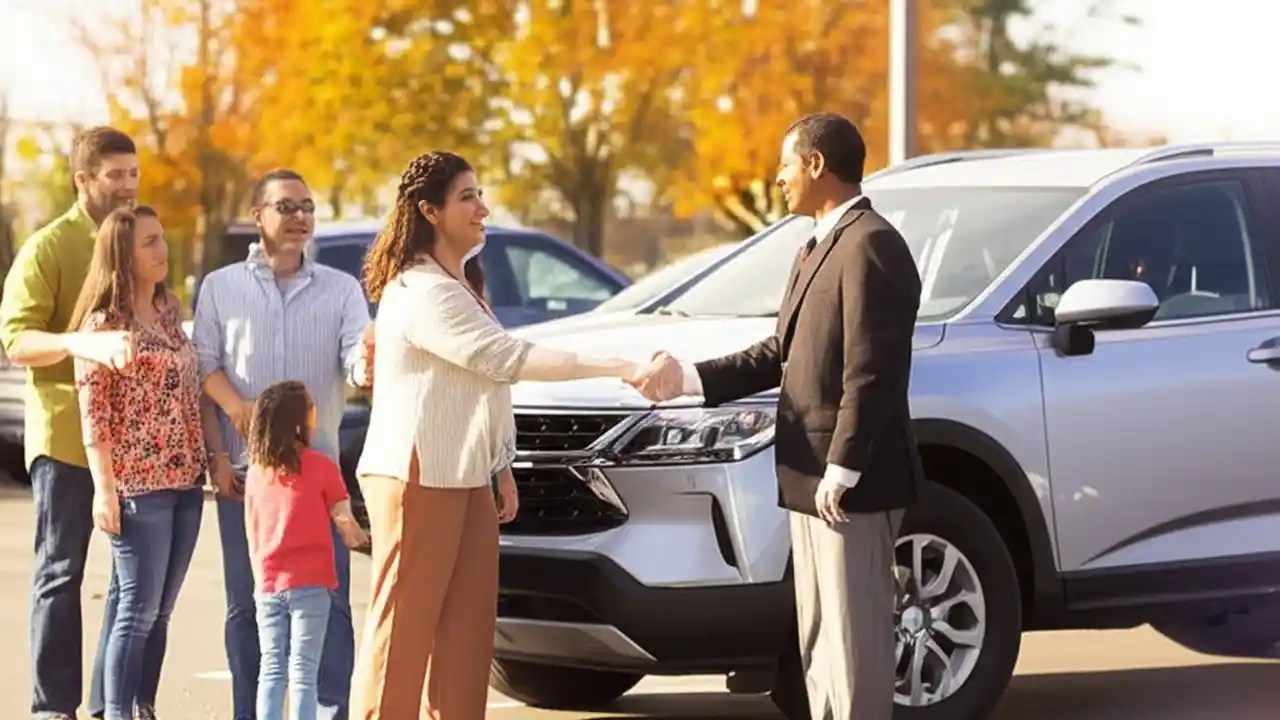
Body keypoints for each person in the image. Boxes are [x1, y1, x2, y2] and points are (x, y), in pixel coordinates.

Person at [632, 112, 924, 720]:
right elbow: (781, 355)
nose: (778, 176)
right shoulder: (816, 248)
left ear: (817, 164)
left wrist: (844, 467)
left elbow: (871, 370)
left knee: (855, 645)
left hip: (850, 488)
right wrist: (685, 378)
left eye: (787, 163)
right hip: (808, 477)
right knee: (820, 641)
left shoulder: (872, 245)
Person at [353, 150, 641, 719]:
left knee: (466, 637)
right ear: (429, 211)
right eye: (468, 197)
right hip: (415, 475)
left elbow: (479, 387)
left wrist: (500, 465)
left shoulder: (460, 285)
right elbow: (504, 360)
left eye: (480, 195)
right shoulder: (421, 291)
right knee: (402, 633)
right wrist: (621, 366)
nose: (483, 208)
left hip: (464, 476)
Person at [192, 168, 372, 720]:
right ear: (259, 217)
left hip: (317, 485)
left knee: (333, 603)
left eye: (308, 208)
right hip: (247, 480)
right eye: (287, 207)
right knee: (247, 604)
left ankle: (330, 712)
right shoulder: (221, 287)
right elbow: (204, 367)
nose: (300, 218)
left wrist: (367, 361)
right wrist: (225, 441)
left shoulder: (342, 290)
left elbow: (355, 361)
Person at [0, 126, 140, 720]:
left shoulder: (140, 240)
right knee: (62, 572)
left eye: (134, 174)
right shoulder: (48, 247)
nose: (129, 188)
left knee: (133, 583)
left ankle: (115, 701)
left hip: (136, 441)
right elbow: (15, 340)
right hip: (64, 442)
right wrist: (78, 342)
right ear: (83, 180)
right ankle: (52, 707)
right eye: (116, 176)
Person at [70, 206, 211, 720]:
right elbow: (94, 416)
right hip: (137, 486)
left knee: (161, 611)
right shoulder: (103, 326)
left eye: (161, 238)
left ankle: (140, 705)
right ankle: (118, 712)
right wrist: (104, 489)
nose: (161, 250)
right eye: (149, 242)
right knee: (137, 608)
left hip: (186, 482)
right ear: (122, 254)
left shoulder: (170, 309)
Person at [244, 381, 369, 720]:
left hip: (268, 585)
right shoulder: (322, 467)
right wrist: (364, 538)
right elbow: (344, 520)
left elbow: (251, 526)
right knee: (303, 671)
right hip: (311, 584)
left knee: (271, 668)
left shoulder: (256, 472)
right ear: (300, 423)